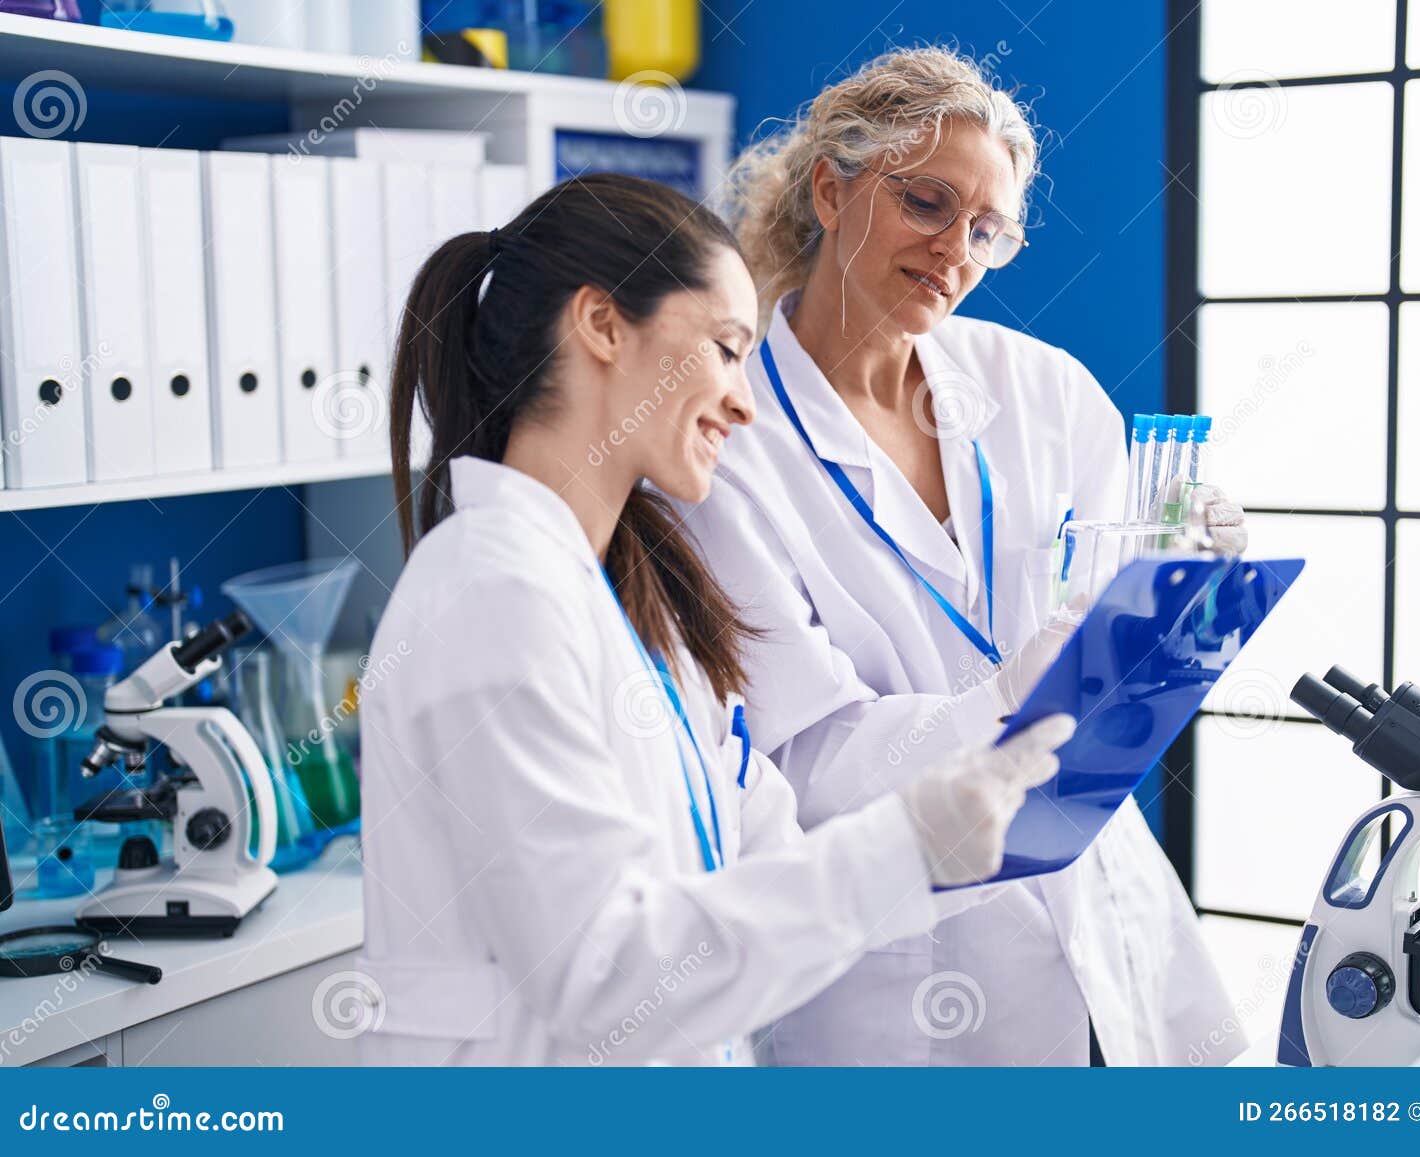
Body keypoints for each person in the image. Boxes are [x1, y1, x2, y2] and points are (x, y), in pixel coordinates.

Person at [354, 173, 1073, 1066]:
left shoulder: (643, 615)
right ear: (603, 324)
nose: (745, 399)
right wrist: (910, 845)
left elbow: (768, 862)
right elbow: (605, 974)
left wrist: (971, 809)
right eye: (728, 348)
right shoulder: (491, 593)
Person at [678, 47, 1249, 1066]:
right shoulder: (731, 438)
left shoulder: (1046, 391)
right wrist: (1009, 699)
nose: (955, 250)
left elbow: (1119, 690)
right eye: (928, 202)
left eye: (987, 229)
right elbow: (801, 762)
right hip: (908, 974)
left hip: (1107, 917)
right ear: (830, 186)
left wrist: (1184, 601)